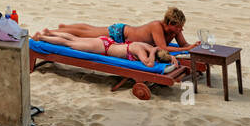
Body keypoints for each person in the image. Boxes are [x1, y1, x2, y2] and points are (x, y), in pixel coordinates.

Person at [33, 28, 177, 72]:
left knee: (73, 39)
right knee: (70, 44)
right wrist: (153, 54)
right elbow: (150, 64)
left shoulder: (150, 47)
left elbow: (165, 54)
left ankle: (49, 33)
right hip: (104, 47)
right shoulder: (142, 50)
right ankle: (43, 38)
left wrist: (172, 59)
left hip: (107, 42)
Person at [55, 7, 191, 52]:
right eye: (178, 26)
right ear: (168, 23)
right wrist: (185, 50)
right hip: (120, 33)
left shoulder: (174, 31)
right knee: (85, 34)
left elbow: (184, 45)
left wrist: (193, 47)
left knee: (90, 29)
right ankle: (56, 32)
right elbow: (162, 48)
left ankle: (66, 27)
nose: (180, 29)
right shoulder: (157, 26)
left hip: (124, 32)